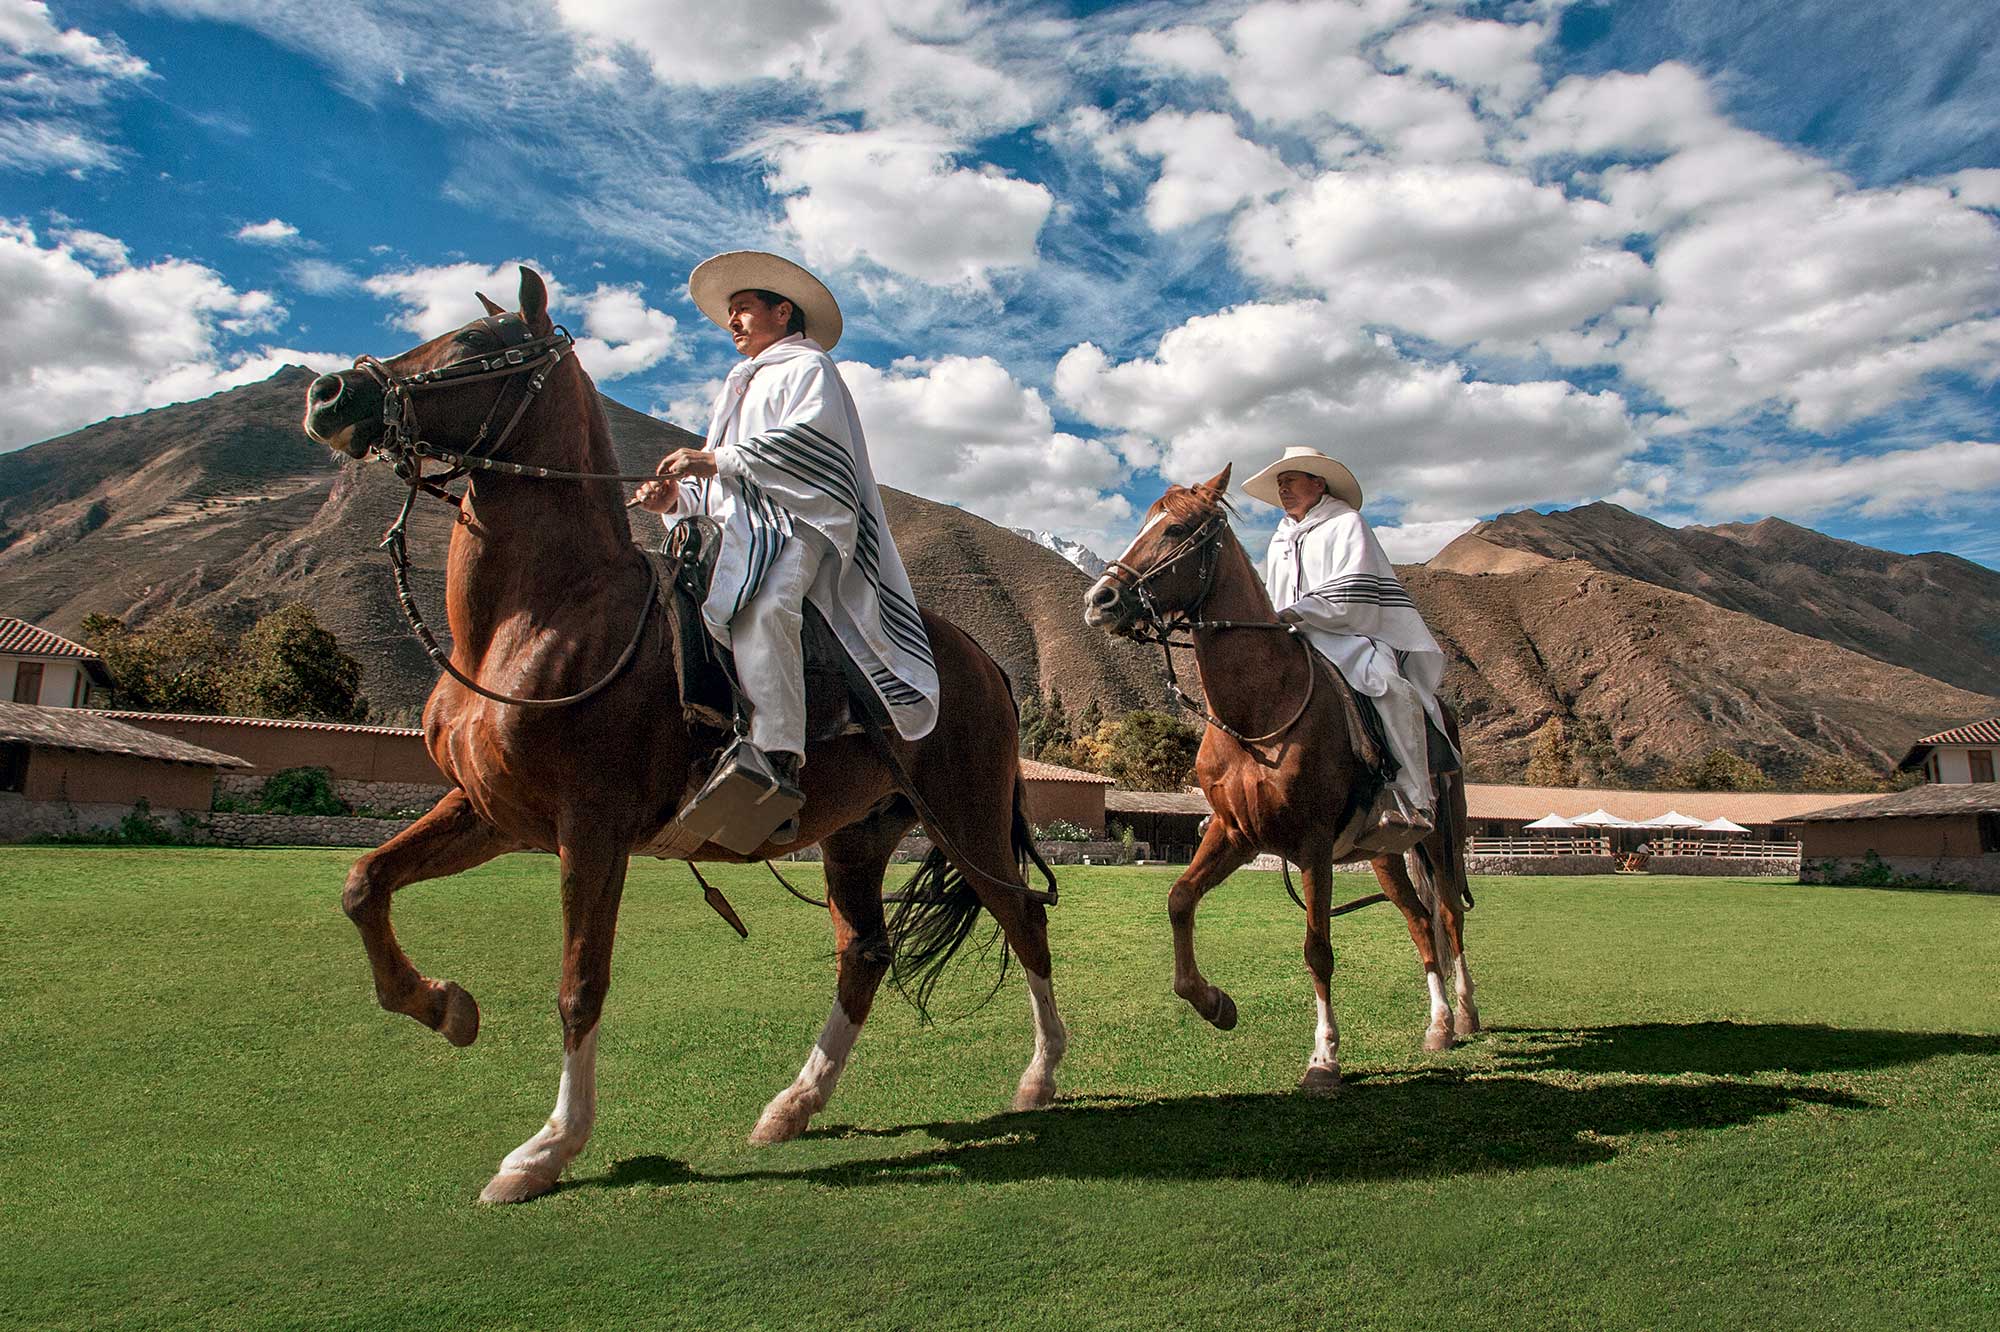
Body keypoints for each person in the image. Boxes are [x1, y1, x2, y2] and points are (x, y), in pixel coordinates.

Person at [634, 252, 938, 817]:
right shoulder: (738, 387)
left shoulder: (810, 368)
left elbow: (815, 450)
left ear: (782, 312)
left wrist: (717, 459)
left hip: (802, 521)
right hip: (741, 528)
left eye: (743, 308)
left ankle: (778, 759)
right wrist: (675, 498)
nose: (733, 321)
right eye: (730, 312)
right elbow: (725, 484)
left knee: (768, 606)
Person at [1240, 446, 1455, 846]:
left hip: (1349, 634)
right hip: (1291, 635)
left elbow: (1355, 593)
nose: (1283, 488)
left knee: (1390, 688)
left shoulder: (1347, 523)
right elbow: (1273, 593)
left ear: (1317, 483)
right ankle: (1236, 797)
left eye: (1291, 480)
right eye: (1280, 483)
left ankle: (1410, 796)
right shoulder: (1281, 539)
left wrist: (1298, 613)